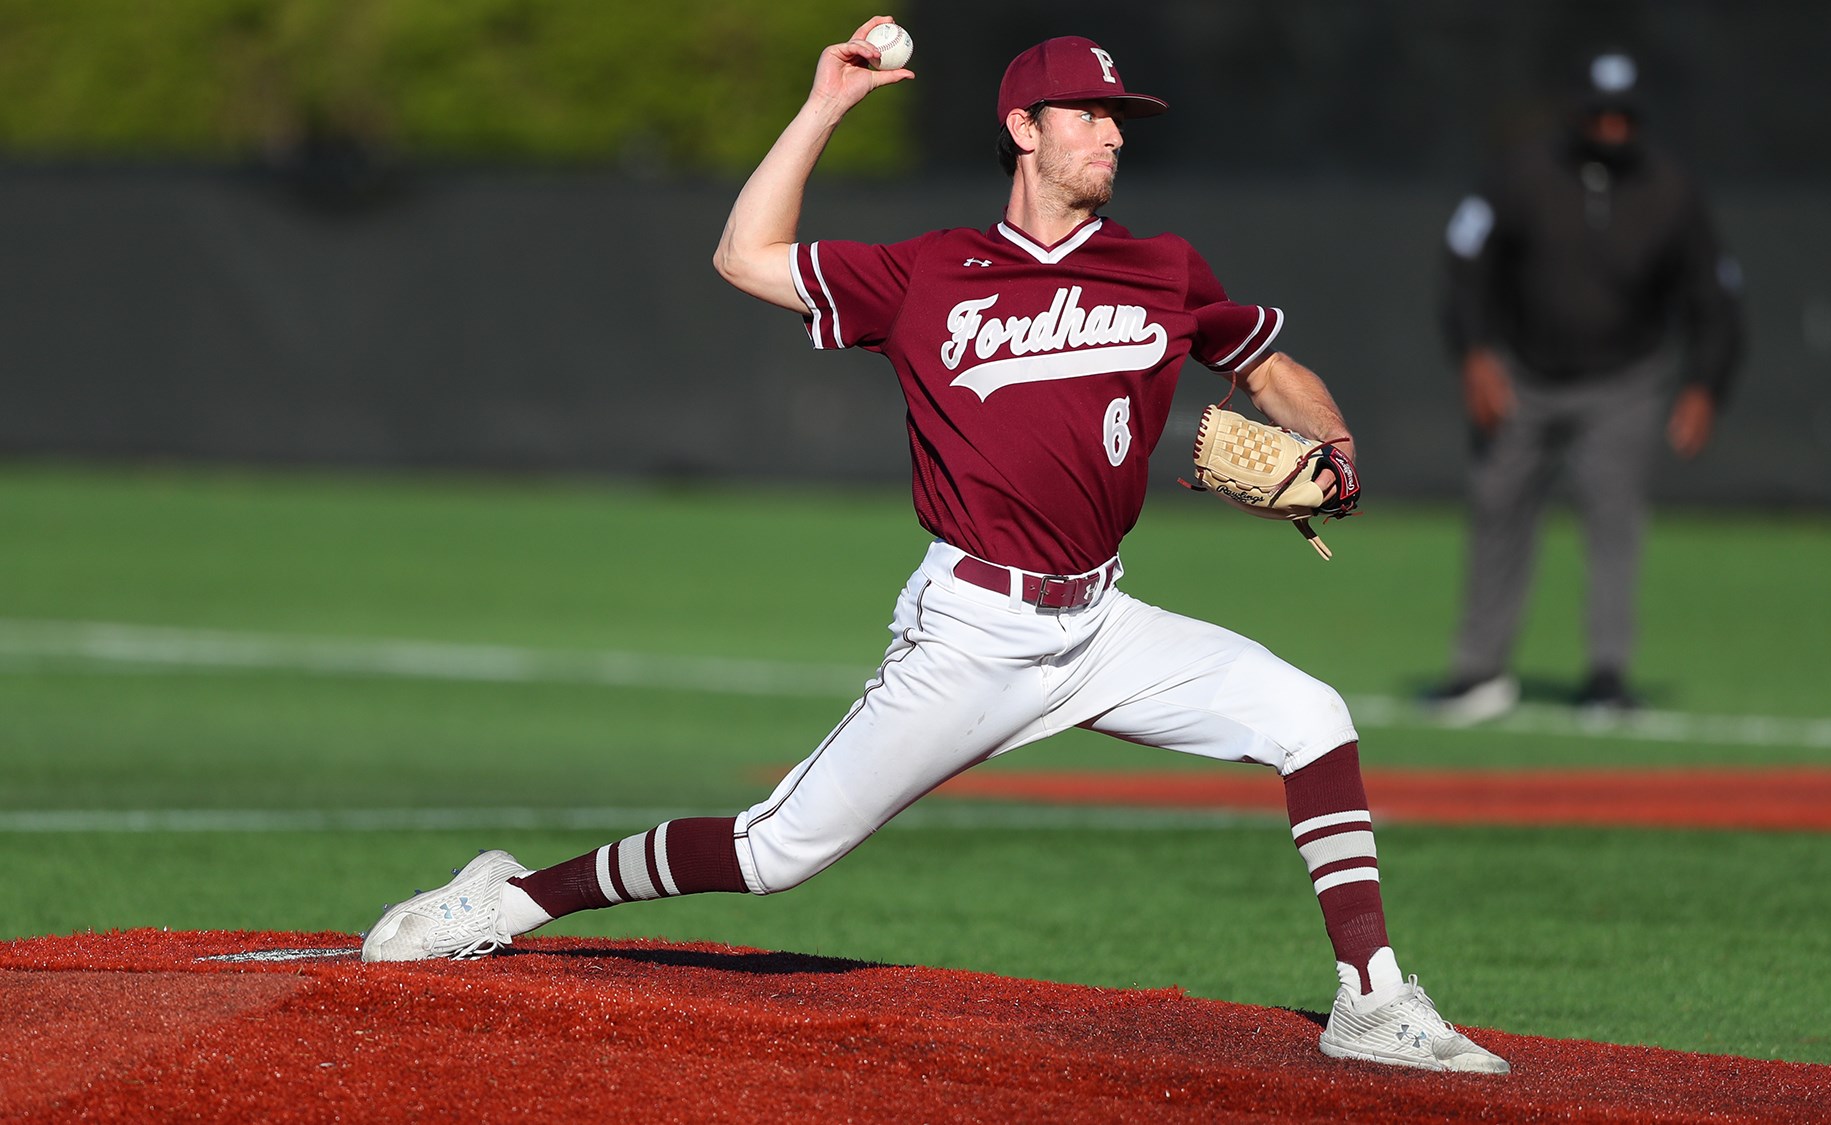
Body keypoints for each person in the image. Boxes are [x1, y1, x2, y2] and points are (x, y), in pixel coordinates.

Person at [361, 20, 1508, 1075]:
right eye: (1091, 112)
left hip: (1102, 623)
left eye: (1122, 117)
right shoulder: (928, 272)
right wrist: (823, 108)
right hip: (973, 629)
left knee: (1310, 716)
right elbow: (744, 257)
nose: (1112, 131)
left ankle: (1367, 999)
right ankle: (510, 900)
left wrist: (1335, 437)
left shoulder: (1160, 269)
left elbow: (1261, 363)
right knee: (774, 855)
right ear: (1023, 128)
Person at [1427, 49, 1745, 725]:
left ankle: (1606, 675)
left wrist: (1705, 385)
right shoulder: (1522, 173)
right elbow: (1465, 263)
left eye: (1622, 115)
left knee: (1613, 520)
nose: (1610, 127)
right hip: (1521, 372)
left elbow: (1713, 294)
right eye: (1598, 113)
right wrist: (1475, 354)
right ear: (1577, 114)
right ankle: (1479, 671)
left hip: (1624, 379)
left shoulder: (1670, 190)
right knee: (1497, 507)